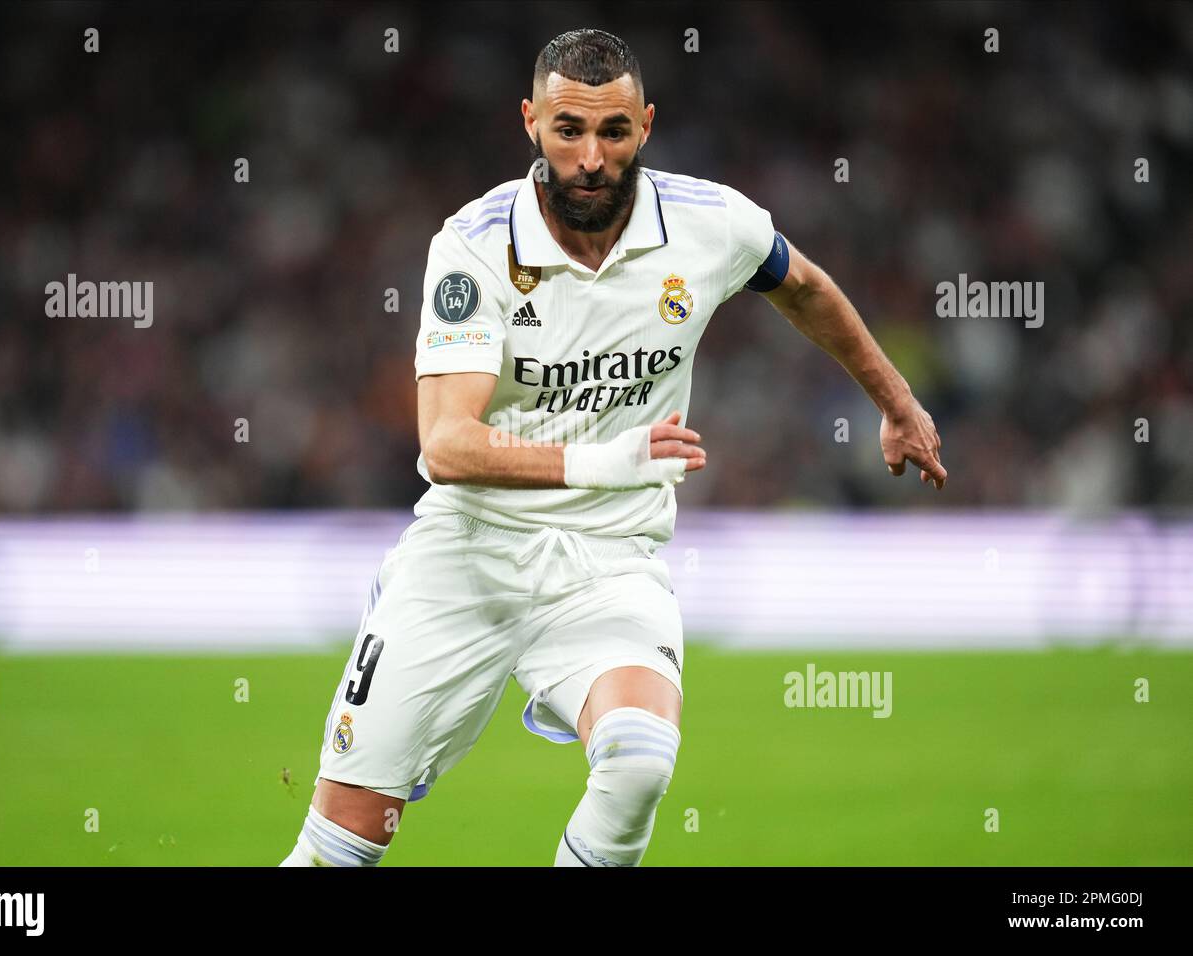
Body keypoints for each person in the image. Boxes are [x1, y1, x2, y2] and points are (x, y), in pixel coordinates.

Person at [282, 27, 945, 868]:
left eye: (614, 132)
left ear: (647, 127)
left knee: (637, 760)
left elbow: (805, 288)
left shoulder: (711, 225)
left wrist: (895, 401)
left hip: (610, 557)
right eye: (569, 130)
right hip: (470, 553)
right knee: (340, 851)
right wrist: (604, 461)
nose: (591, 157)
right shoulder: (474, 247)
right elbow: (446, 444)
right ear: (530, 121)